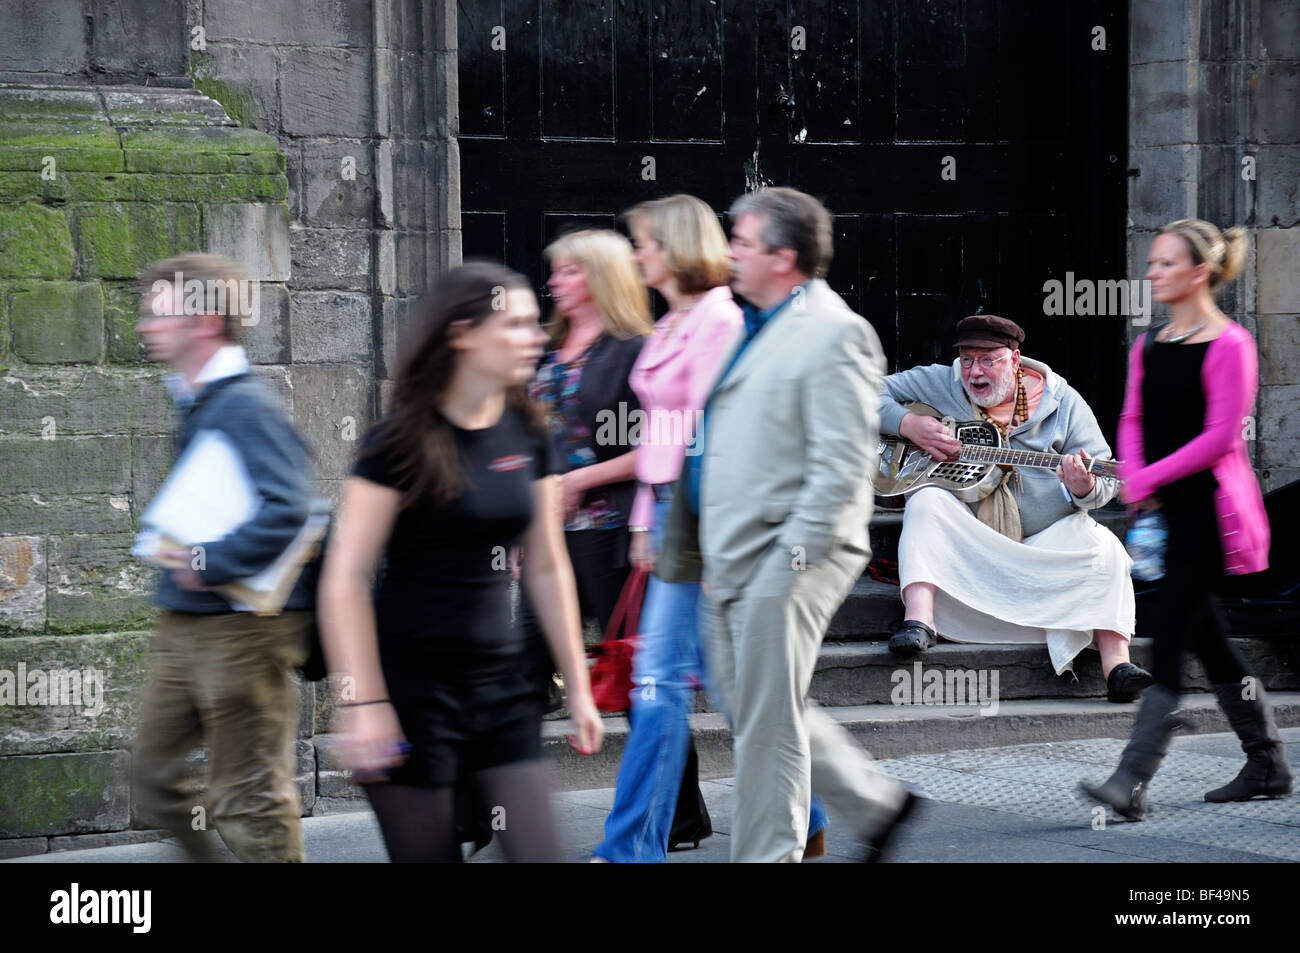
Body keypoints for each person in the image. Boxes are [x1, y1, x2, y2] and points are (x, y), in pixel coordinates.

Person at [317, 261, 603, 862]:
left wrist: (578, 686)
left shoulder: (530, 434)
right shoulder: (397, 442)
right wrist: (364, 704)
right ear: (462, 334)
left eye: (535, 323)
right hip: (413, 694)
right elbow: (345, 577)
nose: (536, 337)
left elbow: (548, 567)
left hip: (503, 688)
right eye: (516, 324)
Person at [663, 186, 916, 863]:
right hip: (733, 557)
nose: (727, 253)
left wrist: (785, 565)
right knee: (758, 711)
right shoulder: (755, 325)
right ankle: (877, 803)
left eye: (741, 241)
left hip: (790, 556)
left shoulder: (836, 331)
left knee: (766, 729)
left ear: (782, 254)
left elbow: (841, 469)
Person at [1081, 219, 1291, 819]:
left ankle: (1130, 778)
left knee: (1170, 632)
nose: (1152, 273)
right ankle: (1268, 761)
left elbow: (1221, 437)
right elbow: (1130, 417)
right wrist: (1137, 473)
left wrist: (1148, 478)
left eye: (1166, 263)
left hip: (1209, 513)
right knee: (1208, 636)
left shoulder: (1232, 345)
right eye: (1152, 263)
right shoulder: (1149, 344)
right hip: (1166, 511)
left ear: (1199, 273)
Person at [131, 253, 315, 862]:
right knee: (155, 775)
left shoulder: (246, 405)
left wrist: (209, 561)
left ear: (205, 321)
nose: (145, 326)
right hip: (183, 622)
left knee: (248, 798)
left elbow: (287, 509)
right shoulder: (197, 400)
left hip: (241, 631)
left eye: (160, 313)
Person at [878, 316, 1154, 702]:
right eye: (968, 359)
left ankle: (1117, 665)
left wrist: (1084, 487)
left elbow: (1105, 480)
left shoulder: (1063, 402)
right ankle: (920, 622)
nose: (974, 371)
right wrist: (907, 422)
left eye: (988, 359)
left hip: (1042, 542)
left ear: (1015, 360)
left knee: (1105, 546)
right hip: (969, 544)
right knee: (926, 499)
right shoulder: (939, 381)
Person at [588, 195, 741, 861]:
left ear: (677, 247)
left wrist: (702, 538)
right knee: (678, 684)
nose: (637, 254)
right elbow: (660, 431)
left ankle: (627, 849)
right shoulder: (674, 321)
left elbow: (715, 437)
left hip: (706, 516)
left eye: (645, 242)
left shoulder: (719, 321)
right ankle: (820, 806)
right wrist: (646, 522)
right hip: (672, 511)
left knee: (672, 684)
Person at [528, 229, 654, 633]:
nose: (553, 282)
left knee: (620, 644)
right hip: (544, 524)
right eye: (555, 272)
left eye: (568, 272)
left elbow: (658, 448)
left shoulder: (635, 350)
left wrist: (581, 478)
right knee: (528, 650)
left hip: (605, 526)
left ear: (602, 277)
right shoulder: (546, 349)